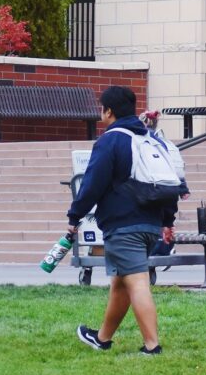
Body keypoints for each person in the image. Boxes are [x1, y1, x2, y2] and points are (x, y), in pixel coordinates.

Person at [70, 86, 182, 355]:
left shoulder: (110, 140)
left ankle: (152, 346)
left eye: (102, 108)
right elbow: (168, 181)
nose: (101, 113)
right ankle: (102, 338)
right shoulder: (151, 139)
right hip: (149, 223)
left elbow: (93, 183)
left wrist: (74, 215)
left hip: (123, 224)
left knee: (137, 282)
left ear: (108, 111)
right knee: (121, 281)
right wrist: (167, 220)